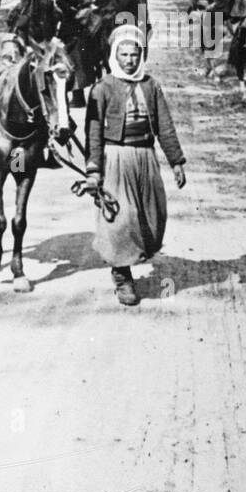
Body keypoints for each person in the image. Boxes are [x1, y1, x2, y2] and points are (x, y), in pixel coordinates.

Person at [82, 25, 186, 306]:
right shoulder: (103, 88)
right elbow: (92, 131)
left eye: (134, 54)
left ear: (141, 56)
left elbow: (164, 125)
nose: (129, 60)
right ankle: (122, 276)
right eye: (124, 54)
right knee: (120, 218)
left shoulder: (151, 85)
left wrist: (175, 161)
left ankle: (134, 258)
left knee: (153, 215)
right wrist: (94, 168)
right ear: (115, 55)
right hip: (116, 157)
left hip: (145, 157)